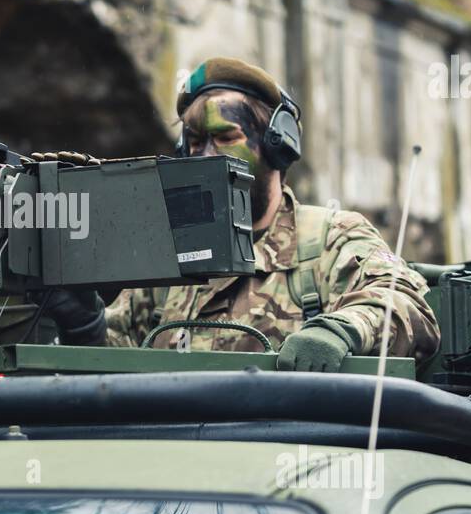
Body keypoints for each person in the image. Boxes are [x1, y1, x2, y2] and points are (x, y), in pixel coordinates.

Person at [46, 57, 440, 371]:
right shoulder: (167, 253)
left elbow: (410, 309)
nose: (206, 157)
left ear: (275, 145)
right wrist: (85, 327)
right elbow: (114, 367)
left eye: (225, 138)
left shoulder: (330, 238)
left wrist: (341, 331)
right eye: (196, 143)